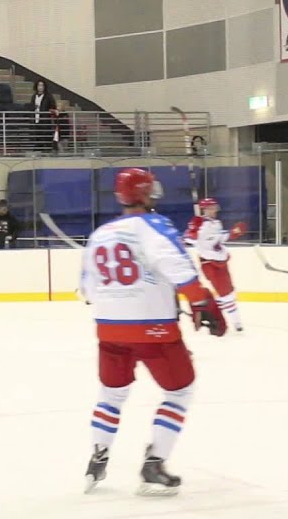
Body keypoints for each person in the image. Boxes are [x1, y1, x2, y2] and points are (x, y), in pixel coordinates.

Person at [78, 168, 227, 496]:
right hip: (154, 329)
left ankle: (97, 458)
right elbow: (178, 267)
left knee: (111, 394)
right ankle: (154, 463)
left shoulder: (100, 234)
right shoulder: (155, 225)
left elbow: (87, 291)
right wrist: (201, 300)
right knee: (180, 390)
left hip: (109, 330)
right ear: (147, 193)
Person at [183, 198, 247, 332]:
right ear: (204, 210)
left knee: (229, 292)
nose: (214, 210)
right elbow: (188, 238)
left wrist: (232, 234)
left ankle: (212, 310)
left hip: (221, 261)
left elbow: (219, 238)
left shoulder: (216, 223)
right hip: (210, 264)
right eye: (211, 208)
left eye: (215, 207)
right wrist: (193, 232)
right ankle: (236, 323)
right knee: (225, 294)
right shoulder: (198, 223)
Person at [31, 80, 56, 150]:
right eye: (39, 85)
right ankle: (39, 147)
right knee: (37, 134)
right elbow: (31, 106)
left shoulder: (48, 96)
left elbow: (53, 106)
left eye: (42, 85)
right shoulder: (34, 96)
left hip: (45, 120)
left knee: (46, 134)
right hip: (36, 118)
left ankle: (47, 148)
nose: (40, 87)